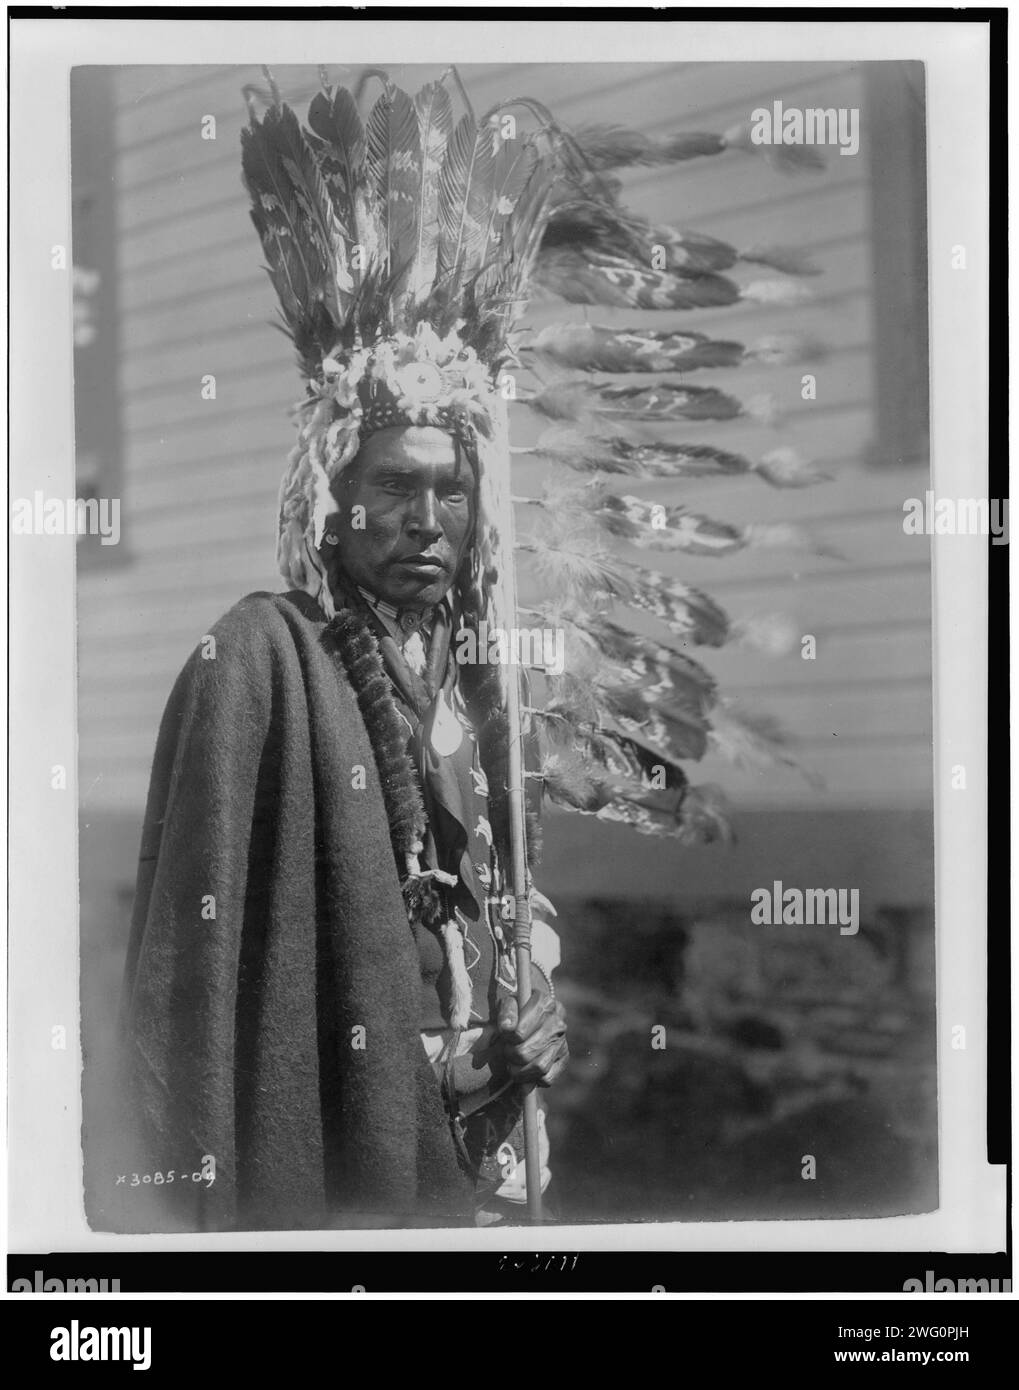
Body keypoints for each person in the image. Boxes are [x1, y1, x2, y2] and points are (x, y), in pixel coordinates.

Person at [120, 411, 568, 1231]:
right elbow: (195, 961)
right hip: (326, 1108)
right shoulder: (261, 655)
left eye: (454, 493)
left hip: (486, 1112)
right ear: (330, 508)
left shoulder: (488, 682)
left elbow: (511, 892)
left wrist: (530, 1010)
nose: (427, 520)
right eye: (394, 486)